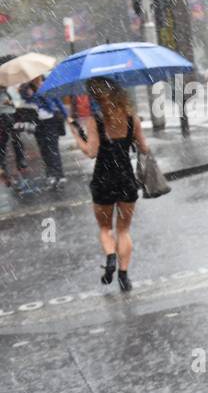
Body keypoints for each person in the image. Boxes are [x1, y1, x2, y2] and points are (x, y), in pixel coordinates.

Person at [68, 78, 151, 292]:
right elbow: (143, 148)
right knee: (123, 230)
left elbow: (91, 152)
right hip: (126, 178)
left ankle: (111, 257)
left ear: (95, 96)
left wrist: (77, 134)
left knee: (105, 228)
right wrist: (129, 140)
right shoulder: (131, 118)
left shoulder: (96, 120)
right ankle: (124, 276)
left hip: (103, 179)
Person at [17, 75, 67, 185]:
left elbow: (57, 101)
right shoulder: (25, 89)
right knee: (43, 148)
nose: (36, 78)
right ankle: (50, 173)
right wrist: (29, 94)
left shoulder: (48, 84)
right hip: (37, 122)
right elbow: (26, 102)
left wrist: (66, 115)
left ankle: (59, 174)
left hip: (51, 120)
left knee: (53, 148)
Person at [0, 84, 30, 186]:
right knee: (2, 143)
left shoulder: (10, 90)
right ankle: (2, 165)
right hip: (1, 118)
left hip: (12, 117)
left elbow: (19, 103)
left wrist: (11, 102)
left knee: (16, 139)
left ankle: (21, 160)